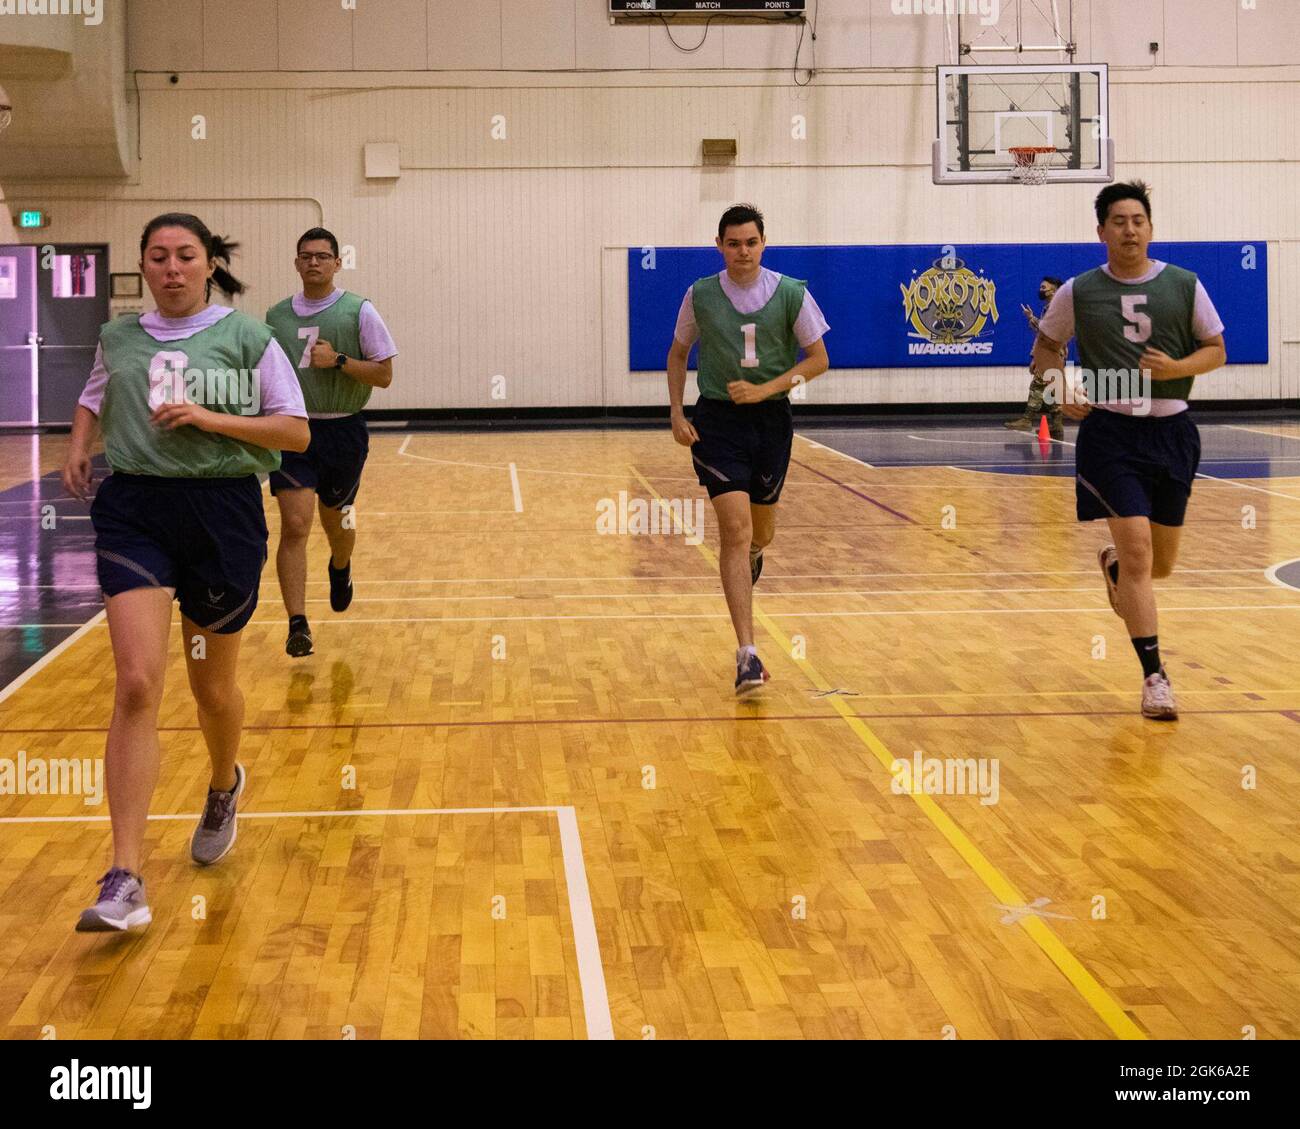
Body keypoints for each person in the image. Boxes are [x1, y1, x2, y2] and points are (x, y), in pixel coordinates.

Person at [62, 213, 309, 931]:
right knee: (138, 682)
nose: (171, 268)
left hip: (222, 511)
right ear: (144, 266)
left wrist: (209, 419)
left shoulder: (247, 338)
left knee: (213, 687)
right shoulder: (120, 336)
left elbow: (293, 431)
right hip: (136, 506)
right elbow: (93, 388)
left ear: (208, 265)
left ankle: (224, 782)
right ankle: (125, 874)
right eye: (159, 257)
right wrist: (82, 443)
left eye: (185, 256)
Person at [1031, 181, 1226, 720]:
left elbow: (1216, 351)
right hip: (1111, 434)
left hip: (1172, 433)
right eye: (1118, 221)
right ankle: (1155, 677)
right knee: (1140, 550)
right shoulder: (1078, 291)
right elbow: (1046, 349)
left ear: (1151, 227)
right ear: (1101, 232)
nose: (1130, 229)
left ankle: (1116, 571)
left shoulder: (1184, 285)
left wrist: (1176, 369)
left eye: (1138, 220)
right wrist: (1058, 392)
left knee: (1158, 565)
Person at [667, 204, 830, 697]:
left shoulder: (790, 293)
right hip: (718, 421)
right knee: (733, 531)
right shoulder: (699, 295)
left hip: (771, 421)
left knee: (761, 531)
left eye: (750, 242)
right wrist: (676, 412)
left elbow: (819, 359)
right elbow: (678, 353)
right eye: (733, 243)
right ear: (719, 245)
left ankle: (758, 552)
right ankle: (748, 654)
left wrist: (766, 390)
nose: (742, 251)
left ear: (764, 243)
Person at [265, 228, 397, 658]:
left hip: (344, 431)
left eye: (323, 256)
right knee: (296, 524)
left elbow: (384, 375)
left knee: (337, 520)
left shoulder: (360, 310)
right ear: (296, 263)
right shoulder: (276, 317)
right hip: (294, 430)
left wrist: (339, 360)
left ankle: (341, 565)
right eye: (306, 256)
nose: (314, 263)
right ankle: (297, 623)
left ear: (337, 263)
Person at [1005, 275, 1066, 438]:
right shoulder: (1051, 307)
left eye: (1044, 287)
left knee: (1037, 386)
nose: (1041, 290)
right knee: (1051, 390)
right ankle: (1057, 425)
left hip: (1051, 353)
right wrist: (1031, 318)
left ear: (1054, 289)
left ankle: (1027, 420)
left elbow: (1047, 333)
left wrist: (1036, 357)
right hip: (1054, 352)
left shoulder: (1055, 308)